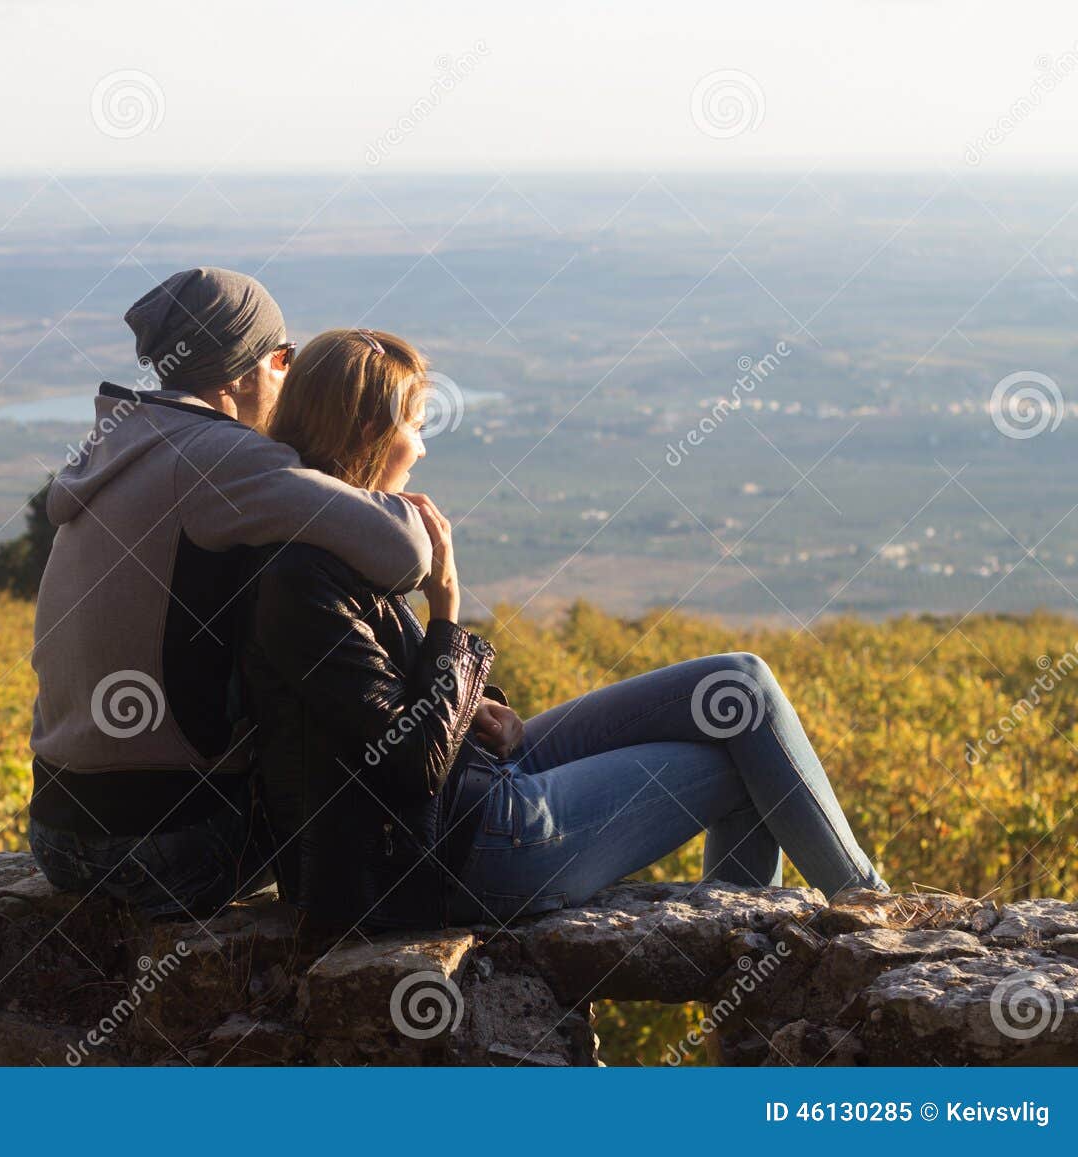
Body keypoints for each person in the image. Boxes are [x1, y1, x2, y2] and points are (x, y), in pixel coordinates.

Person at [242, 327, 889, 931]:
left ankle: (855, 908)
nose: (424, 445)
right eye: (414, 426)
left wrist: (480, 705)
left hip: (468, 797)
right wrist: (445, 611)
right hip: (454, 855)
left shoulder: (333, 543)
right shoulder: (304, 578)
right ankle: (863, 918)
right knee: (736, 767)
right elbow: (410, 761)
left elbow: (387, 694)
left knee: (737, 685)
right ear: (367, 432)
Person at [28, 270, 434, 919]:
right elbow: (403, 551)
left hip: (57, 834)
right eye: (286, 363)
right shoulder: (220, 458)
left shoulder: (118, 446)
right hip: (173, 848)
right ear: (261, 367)